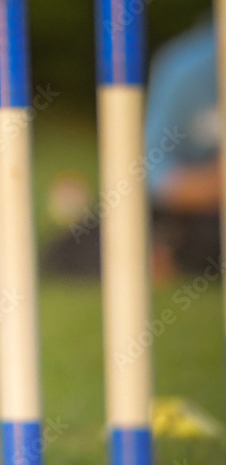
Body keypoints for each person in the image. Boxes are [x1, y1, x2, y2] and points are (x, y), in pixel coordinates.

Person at [42, 15, 221, 280]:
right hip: (189, 215)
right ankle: (159, 254)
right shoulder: (188, 69)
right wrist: (207, 185)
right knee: (84, 244)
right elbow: (152, 171)